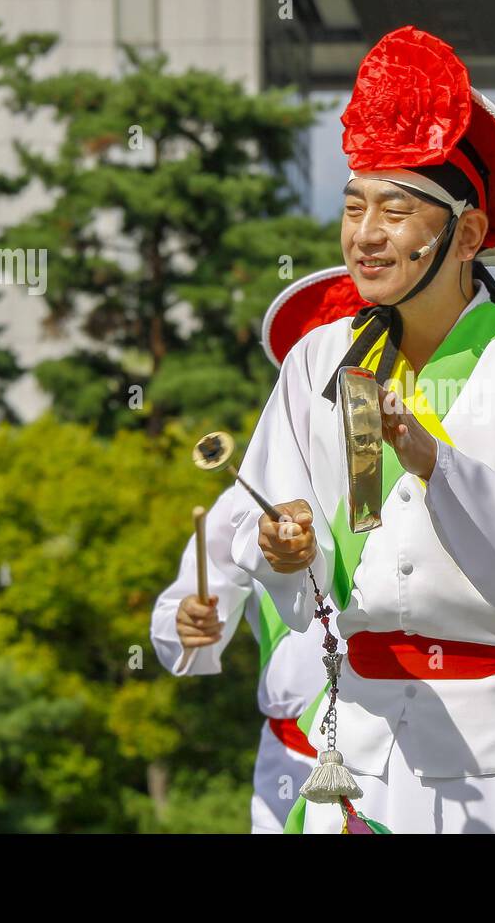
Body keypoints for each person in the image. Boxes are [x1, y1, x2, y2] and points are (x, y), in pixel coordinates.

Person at [227, 26, 495, 834]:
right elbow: (274, 522)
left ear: (467, 236)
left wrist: (435, 462)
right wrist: (284, 547)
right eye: (354, 207)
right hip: (354, 736)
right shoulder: (322, 359)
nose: (366, 233)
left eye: (396, 211)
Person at [150, 267, 366, 832]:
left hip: (418, 752)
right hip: (292, 766)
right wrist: (188, 624)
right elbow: (191, 611)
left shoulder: (422, 477)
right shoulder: (240, 507)